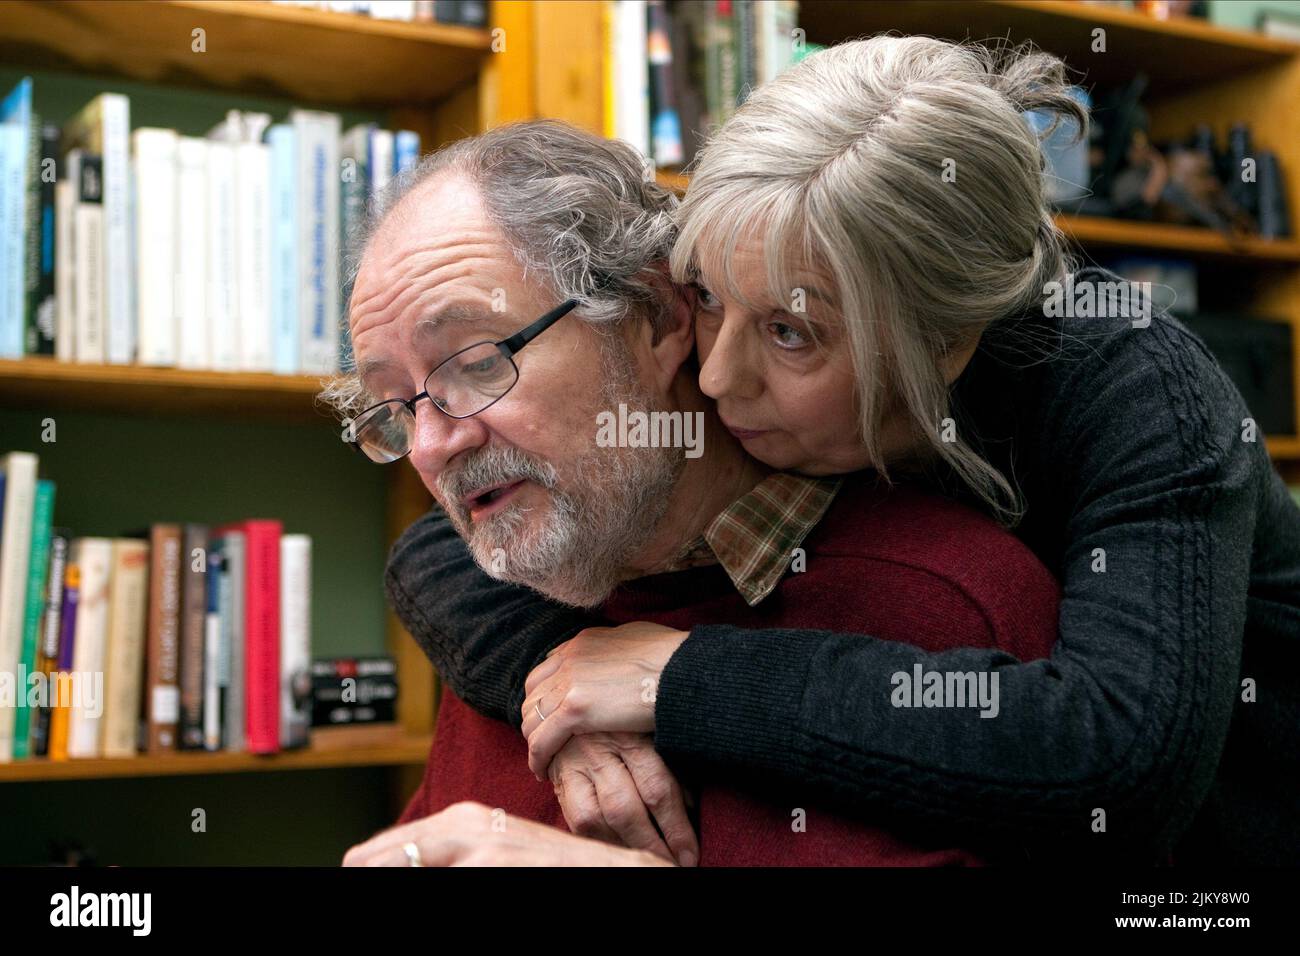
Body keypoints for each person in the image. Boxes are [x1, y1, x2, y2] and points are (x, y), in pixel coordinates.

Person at [377, 35, 1300, 865]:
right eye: (708, 297)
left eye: (790, 332)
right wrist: (566, 689)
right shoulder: (734, 370)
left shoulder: (1139, 397)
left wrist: (678, 678)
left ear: (945, 341)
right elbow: (439, 546)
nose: (716, 376)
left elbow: (1116, 759)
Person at [329, 116, 1062, 868]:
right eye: (393, 408)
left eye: (479, 363)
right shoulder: (507, 617)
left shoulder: (957, 607)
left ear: (655, 314)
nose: (431, 447)